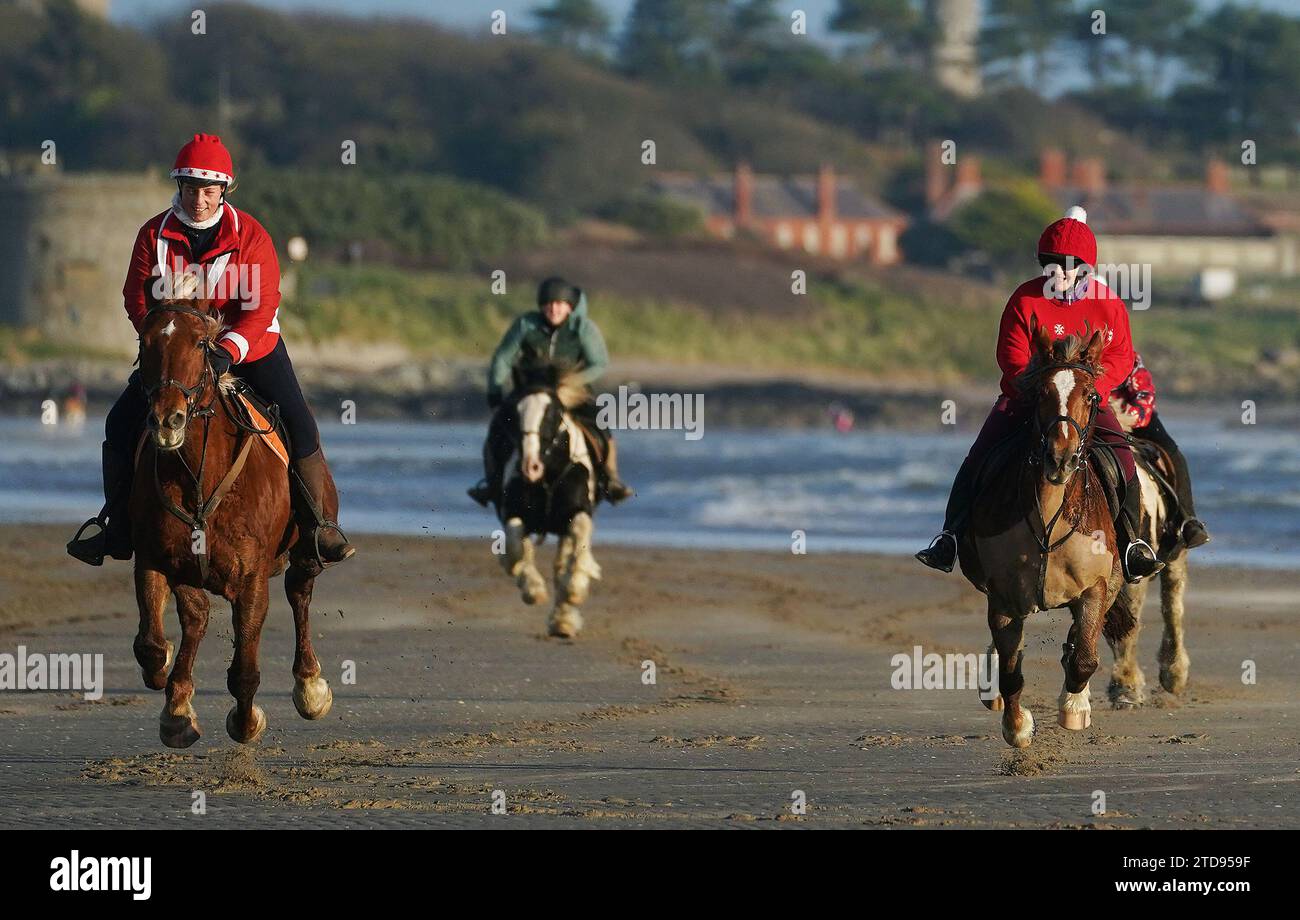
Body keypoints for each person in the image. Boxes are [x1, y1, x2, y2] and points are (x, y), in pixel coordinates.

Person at [68, 133, 355, 568]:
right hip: (178, 355)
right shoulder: (152, 235)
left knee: (298, 420)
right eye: (190, 189)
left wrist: (226, 350)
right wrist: (162, 341)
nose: (198, 199)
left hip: (252, 346)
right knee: (119, 421)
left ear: (224, 191)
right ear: (178, 187)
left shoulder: (251, 236)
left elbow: (261, 307)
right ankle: (118, 526)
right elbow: (136, 298)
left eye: (208, 190)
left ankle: (319, 527)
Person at [916, 206, 1163, 583]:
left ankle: (1131, 546)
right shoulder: (1024, 300)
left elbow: (1120, 355)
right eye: (1050, 263)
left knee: (1122, 458)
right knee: (980, 454)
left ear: (1085, 267)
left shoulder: (1107, 304)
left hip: (1084, 403)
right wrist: (1043, 391)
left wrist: (1085, 392)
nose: (1057, 272)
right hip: (1025, 399)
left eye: (1066, 264)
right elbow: (1011, 357)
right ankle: (949, 537)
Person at [468, 277, 633, 506]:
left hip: (572, 394)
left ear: (570, 306)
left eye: (559, 303)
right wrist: (495, 390)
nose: (553, 309)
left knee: (600, 428)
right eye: (548, 304)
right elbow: (503, 358)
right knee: (498, 427)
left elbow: (599, 364)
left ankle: (610, 479)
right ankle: (492, 482)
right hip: (530, 392)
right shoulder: (526, 325)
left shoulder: (583, 329)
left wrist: (570, 383)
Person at [1112, 354, 1211, 548]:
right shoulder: (1073, 354)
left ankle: (1187, 520)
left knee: (1172, 452)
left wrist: (1125, 418)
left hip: (1133, 418)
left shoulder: (1124, 354)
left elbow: (1144, 394)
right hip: (1091, 419)